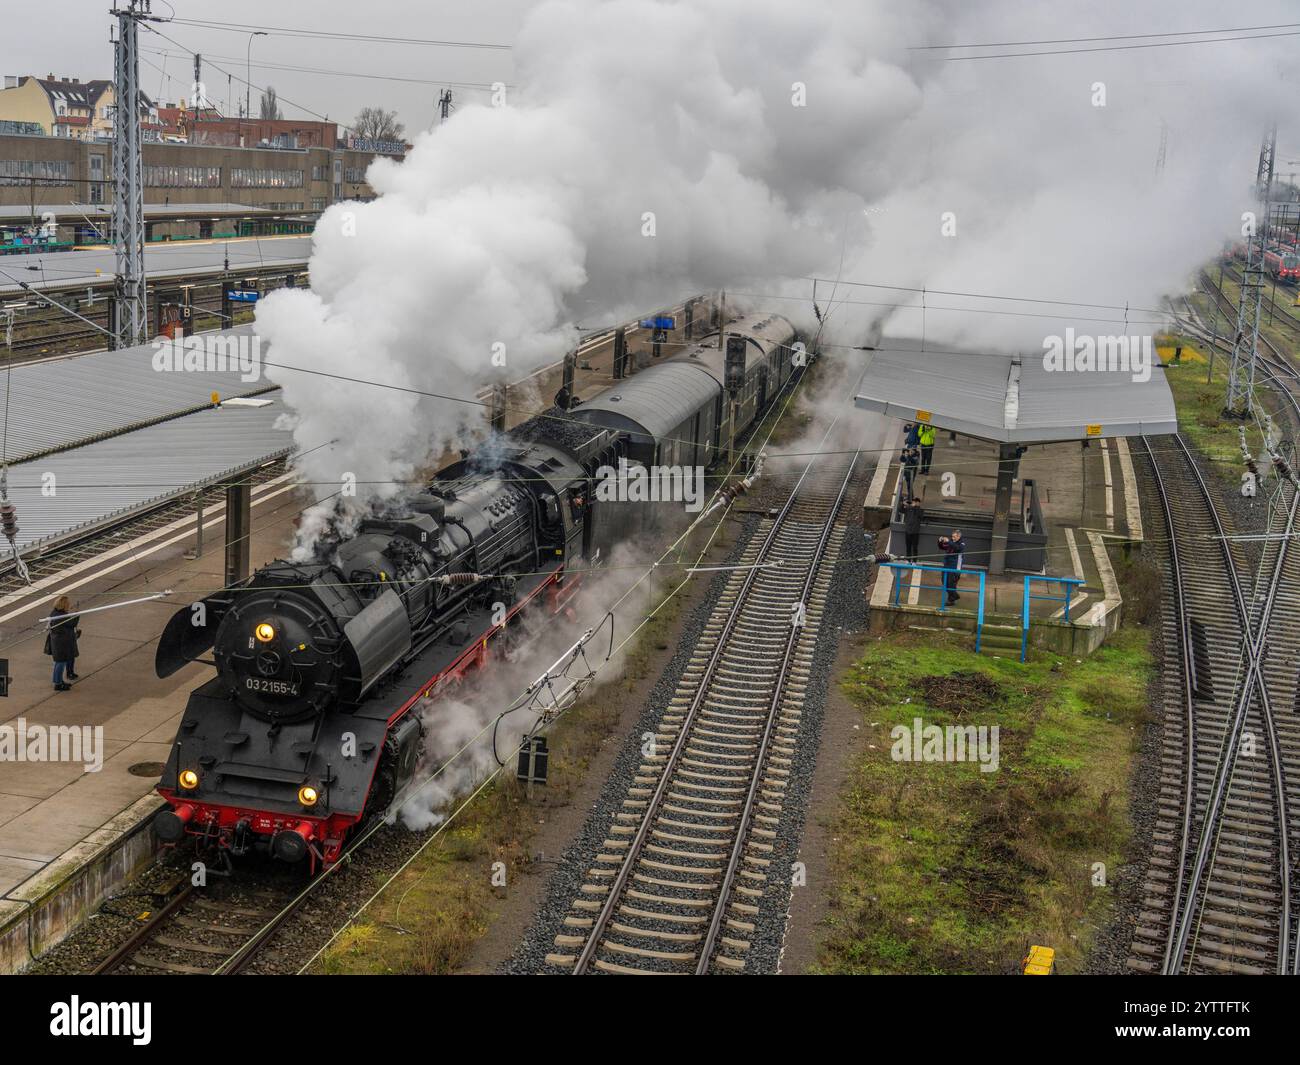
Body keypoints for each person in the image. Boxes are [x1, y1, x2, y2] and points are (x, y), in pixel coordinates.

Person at [44, 595, 81, 692]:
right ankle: (58, 683)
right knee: (60, 663)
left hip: (58, 641)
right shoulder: (62, 617)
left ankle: (59, 681)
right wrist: (77, 614)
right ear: (64, 605)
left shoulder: (55, 613)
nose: (69, 606)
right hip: (62, 643)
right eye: (68, 604)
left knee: (59, 662)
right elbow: (72, 623)